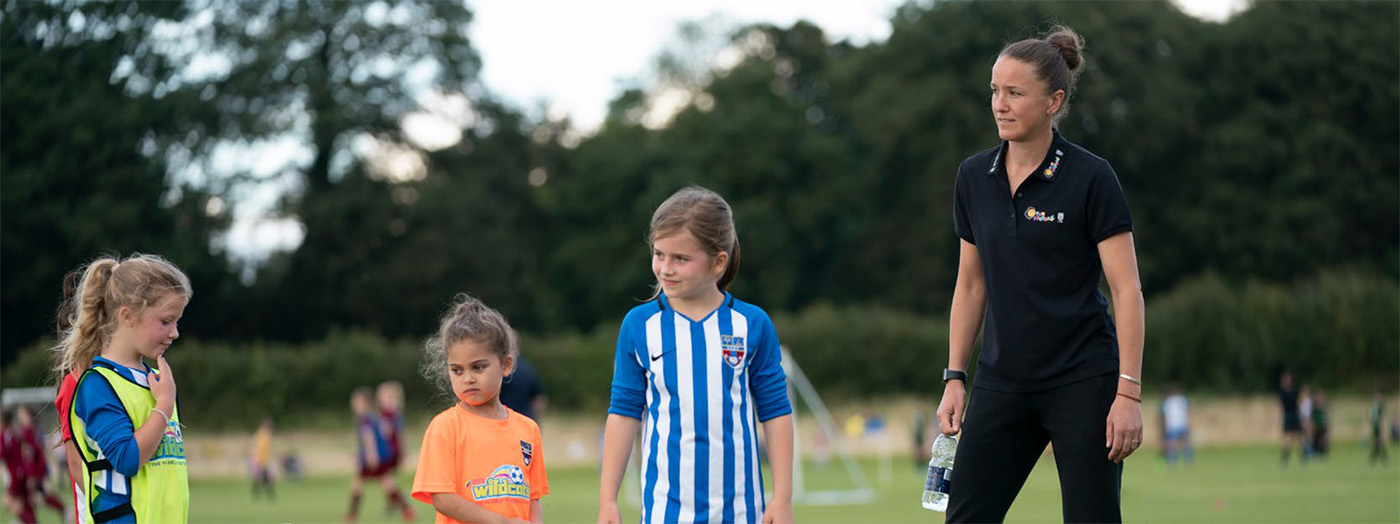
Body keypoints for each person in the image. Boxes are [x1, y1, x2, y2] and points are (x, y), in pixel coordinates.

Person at [935, 26, 1145, 523]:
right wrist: (954, 377)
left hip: (1083, 380)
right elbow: (970, 285)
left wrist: (1128, 393)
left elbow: (1127, 290)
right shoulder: (972, 176)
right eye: (994, 91)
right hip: (1001, 380)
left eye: (1014, 93)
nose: (999, 104)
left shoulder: (1092, 177)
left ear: (1053, 101)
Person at [598, 186, 795, 524]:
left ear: (718, 262)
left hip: (741, 512)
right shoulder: (639, 326)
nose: (665, 268)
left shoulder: (752, 324)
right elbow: (624, 413)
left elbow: (775, 412)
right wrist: (607, 501)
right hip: (665, 513)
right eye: (659, 254)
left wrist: (782, 498)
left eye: (681, 259)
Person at [56, 254, 192, 523]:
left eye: (177, 322)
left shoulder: (154, 380)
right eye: (166, 321)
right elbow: (127, 458)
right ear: (127, 316)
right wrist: (164, 405)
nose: (175, 332)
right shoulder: (98, 384)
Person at [411, 294, 549, 523]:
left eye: (478, 367)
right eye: (457, 370)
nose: (468, 378)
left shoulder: (528, 429)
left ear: (506, 365)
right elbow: (443, 499)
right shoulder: (445, 427)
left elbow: (533, 500)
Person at [345, 387, 414, 523]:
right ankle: (406, 509)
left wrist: (371, 455)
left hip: (375, 457)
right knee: (386, 483)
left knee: (359, 484)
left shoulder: (365, 418)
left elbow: (369, 438)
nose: (353, 404)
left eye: (356, 401)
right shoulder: (374, 417)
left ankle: (352, 516)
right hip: (382, 456)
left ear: (363, 402)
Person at [16, 405, 67, 519]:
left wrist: (25, 451)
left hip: (35, 468)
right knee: (34, 496)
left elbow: (33, 450)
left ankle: (62, 508)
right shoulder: (31, 429)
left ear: (28, 415)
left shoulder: (30, 430)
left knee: (36, 496)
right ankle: (61, 509)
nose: (20, 417)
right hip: (36, 467)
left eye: (22, 414)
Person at [498, 356, 547, 422]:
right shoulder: (528, 368)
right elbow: (539, 398)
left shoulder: (500, 369)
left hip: (504, 419)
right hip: (526, 418)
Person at [1160, 384, 1193, 466]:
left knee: (1172, 444)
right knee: (1185, 443)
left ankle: (1172, 462)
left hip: (1172, 425)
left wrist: (1163, 427)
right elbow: (1188, 412)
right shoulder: (1183, 400)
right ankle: (1188, 461)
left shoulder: (1167, 401)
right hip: (1182, 424)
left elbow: (1163, 415)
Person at [1278, 370, 1305, 466]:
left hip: (1295, 415)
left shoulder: (1295, 390)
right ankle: (1285, 459)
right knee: (1287, 440)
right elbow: (1280, 406)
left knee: (1300, 439)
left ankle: (1302, 458)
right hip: (1288, 416)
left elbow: (1301, 403)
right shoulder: (1282, 392)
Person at [250, 418, 275, 500]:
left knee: (265, 477)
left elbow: (268, 449)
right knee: (261, 477)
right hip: (259, 459)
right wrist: (256, 458)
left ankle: (263, 493)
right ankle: (260, 493)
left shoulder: (267, 436)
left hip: (264, 459)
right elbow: (257, 447)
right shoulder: (260, 435)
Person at [1370, 391, 1389, 466]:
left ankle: (1375, 459)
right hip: (1377, 427)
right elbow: (1379, 419)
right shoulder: (1377, 407)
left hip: (1376, 427)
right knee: (1379, 443)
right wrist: (1382, 427)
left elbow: (1371, 417)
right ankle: (1381, 458)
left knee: (1378, 443)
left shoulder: (1374, 406)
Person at [1310, 391, 1329, 459]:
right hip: (1316, 425)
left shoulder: (1324, 407)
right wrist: (1312, 425)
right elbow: (1312, 418)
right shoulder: (1314, 408)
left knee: (1322, 440)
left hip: (1322, 425)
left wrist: (1326, 424)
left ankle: (1322, 453)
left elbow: (1326, 418)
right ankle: (1316, 453)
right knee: (1315, 440)